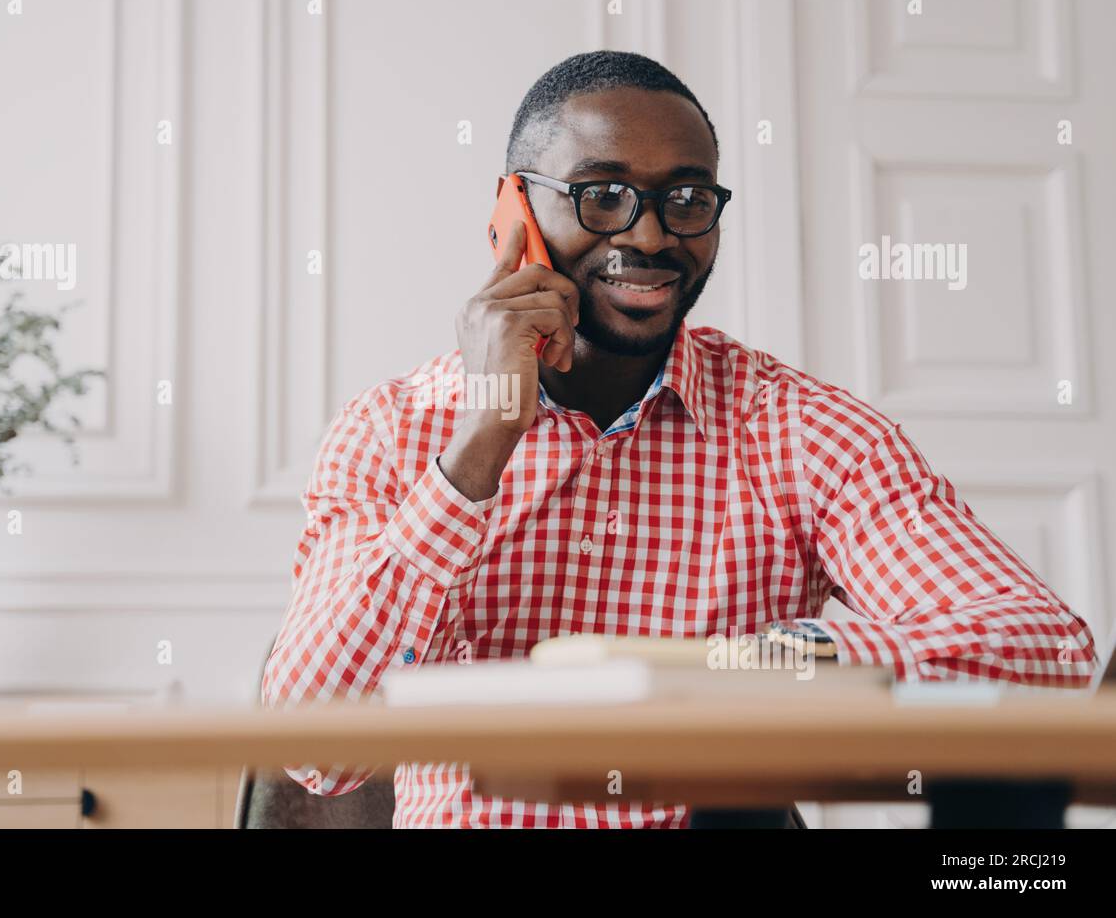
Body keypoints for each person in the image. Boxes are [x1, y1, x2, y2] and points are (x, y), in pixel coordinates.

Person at [262, 50, 1097, 828]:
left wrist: (751, 670)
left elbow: (1044, 649)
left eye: (687, 198)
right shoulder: (392, 430)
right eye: (603, 193)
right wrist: (483, 439)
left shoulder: (806, 431)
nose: (653, 235)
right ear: (513, 211)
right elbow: (314, 748)